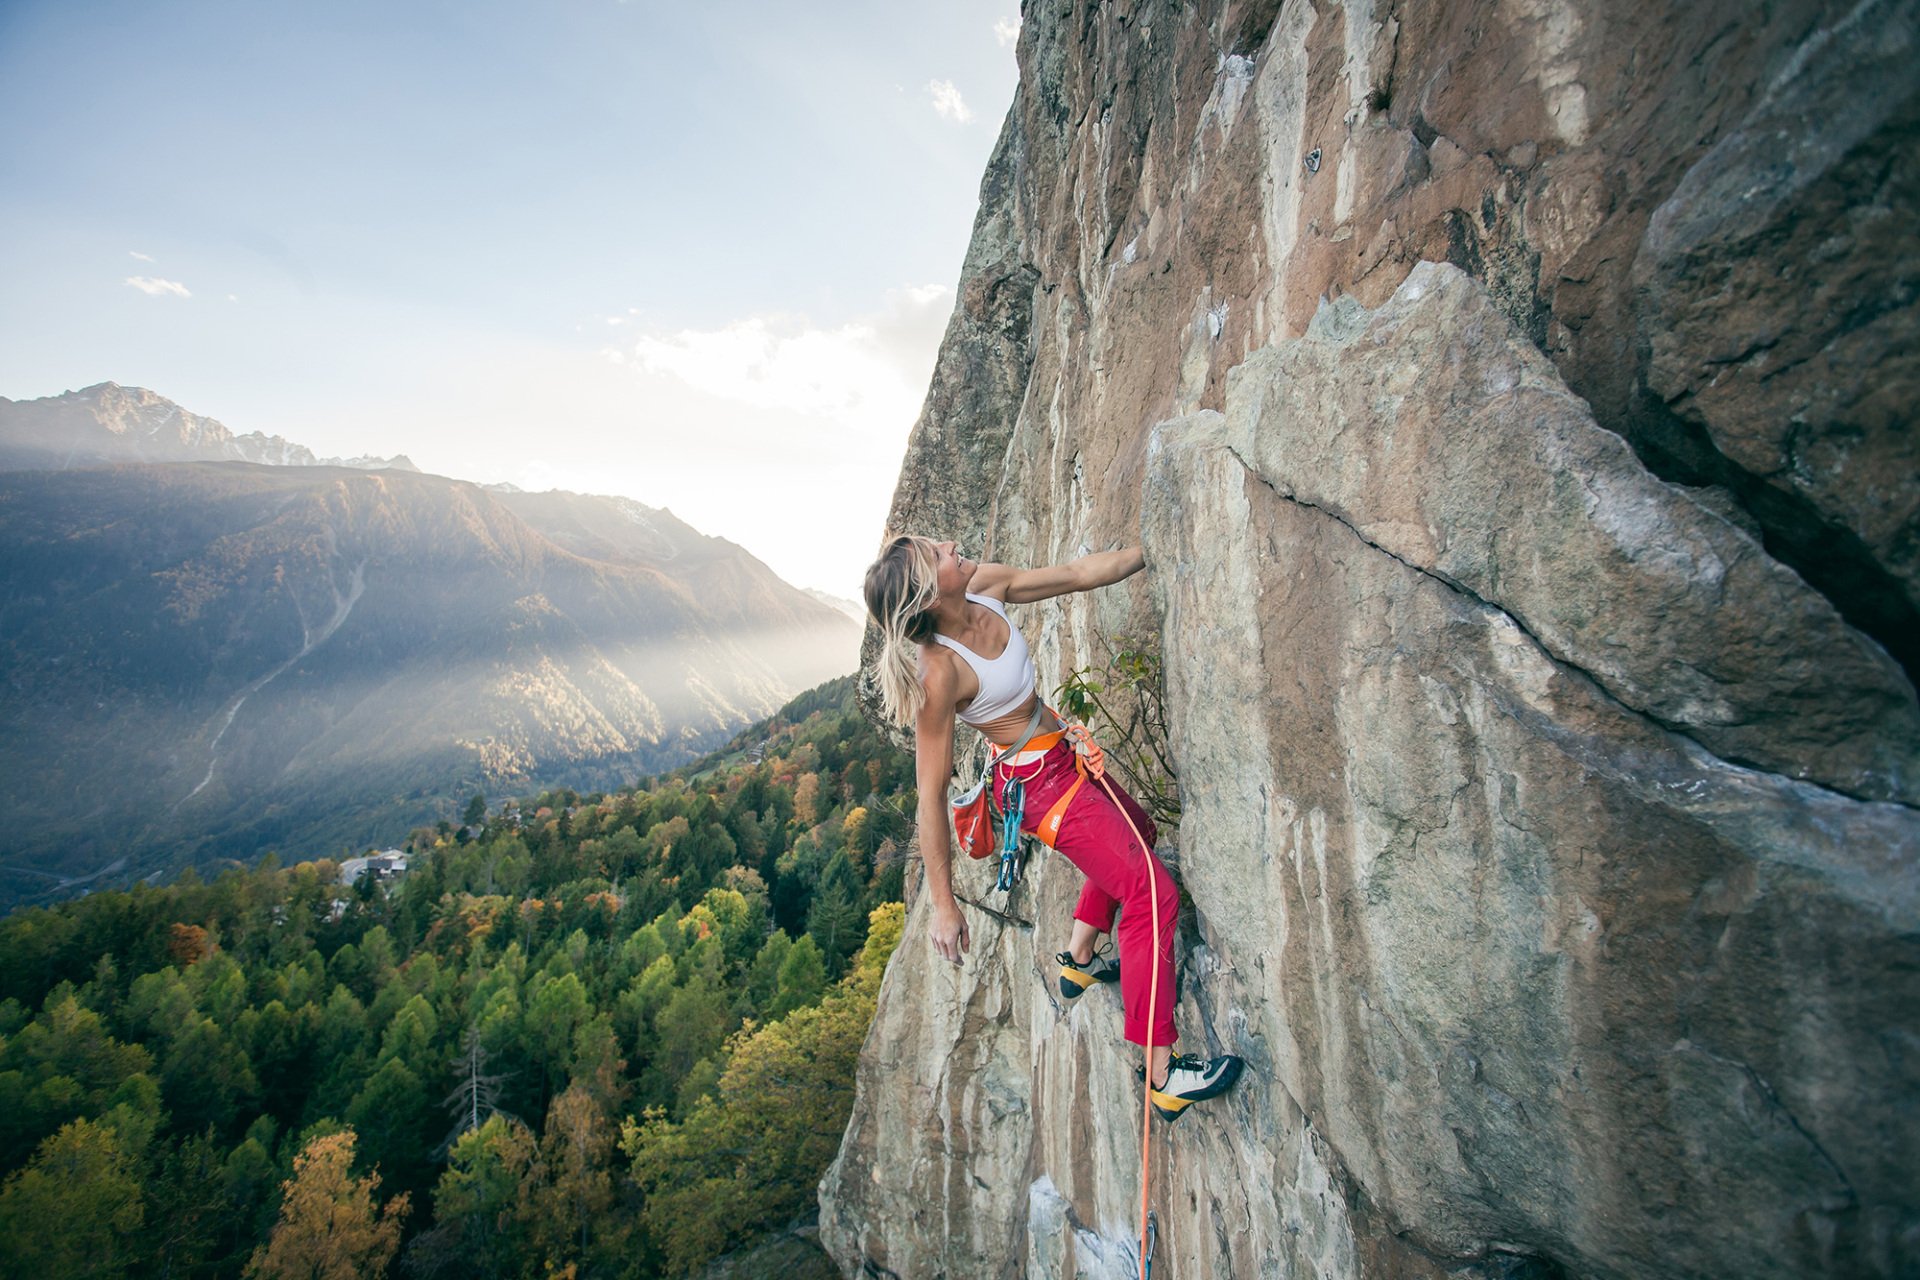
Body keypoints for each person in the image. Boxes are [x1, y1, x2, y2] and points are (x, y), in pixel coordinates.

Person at [862, 534, 1244, 1121]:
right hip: (1038, 789)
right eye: (937, 554)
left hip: (1059, 754)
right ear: (928, 595)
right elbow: (929, 796)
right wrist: (942, 904)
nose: (951, 544)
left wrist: (1156, 542)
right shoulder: (939, 673)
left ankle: (1080, 957)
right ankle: (1164, 1072)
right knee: (1150, 891)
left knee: (1139, 832)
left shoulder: (984, 587)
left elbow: (1075, 572)